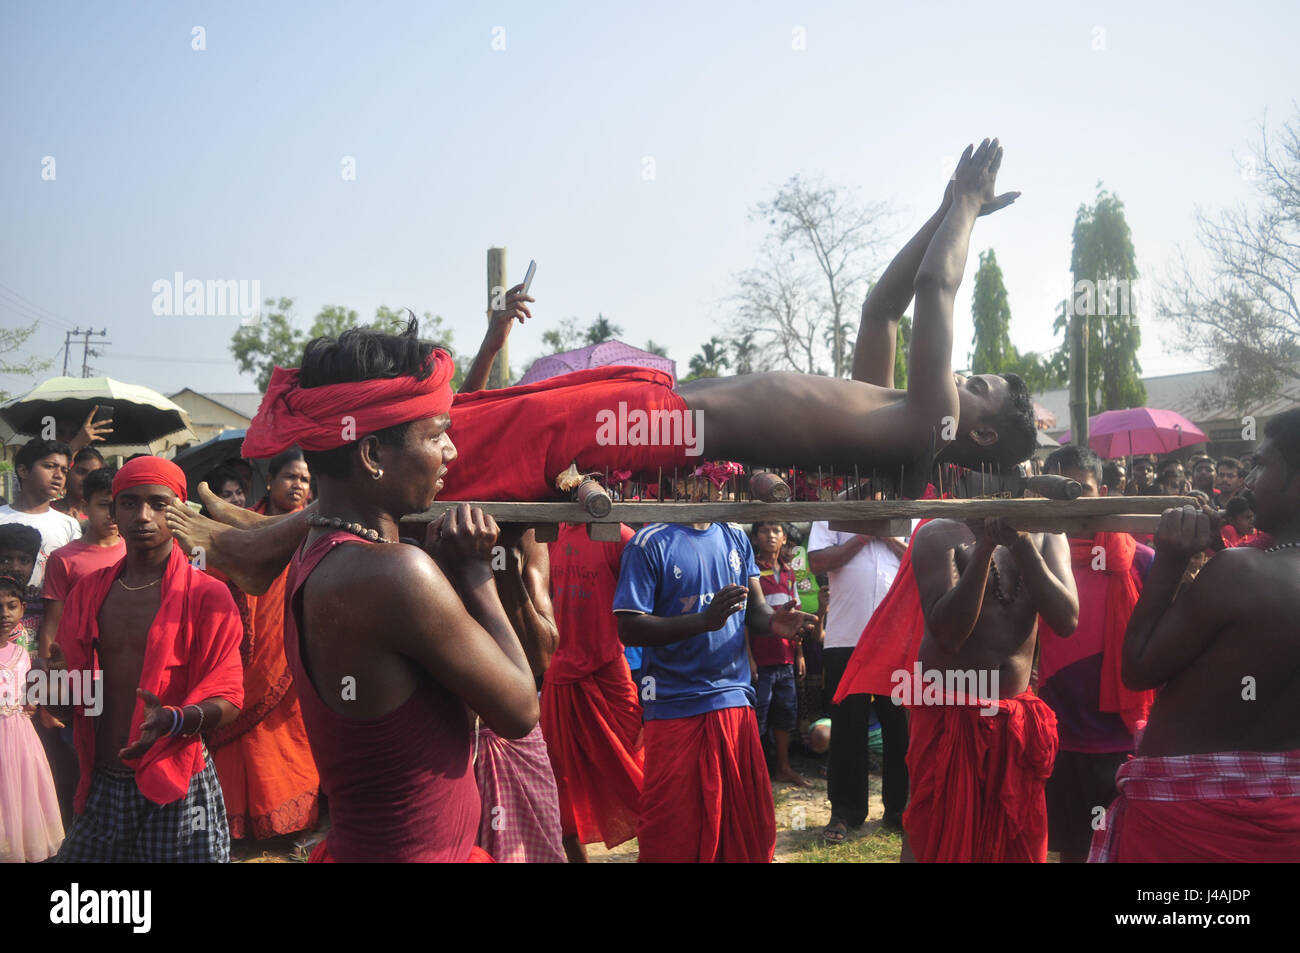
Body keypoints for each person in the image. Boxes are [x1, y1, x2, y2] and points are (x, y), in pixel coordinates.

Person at [245, 141, 1031, 503]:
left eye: (986, 388)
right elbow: (881, 306)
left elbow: (936, 289)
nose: (971, 376)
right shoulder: (890, 406)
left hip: (661, 427)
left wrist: (965, 204)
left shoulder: (927, 426)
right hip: (655, 405)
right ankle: (314, 470)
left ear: (983, 433)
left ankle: (316, 464)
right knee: (495, 418)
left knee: (491, 437)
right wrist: (940, 212)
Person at [198, 319, 539, 862]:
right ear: (372, 456)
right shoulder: (395, 574)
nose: (451, 452)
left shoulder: (319, 551)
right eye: (435, 435)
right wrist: (478, 573)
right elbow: (520, 710)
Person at [1091, 409, 1300, 861]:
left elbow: (1139, 667)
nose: (1247, 481)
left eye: (1263, 466)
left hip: (1184, 825)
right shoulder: (1249, 565)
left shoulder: (1243, 571)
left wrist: (1169, 559)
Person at [52, 456, 245, 862]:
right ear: (112, 511)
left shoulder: (207, 595)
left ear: (180, 510)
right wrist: (52, 688)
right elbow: (75, 702)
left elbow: (229, 698)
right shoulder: (88, 594)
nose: (142, 516)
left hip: (176, 777)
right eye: (128, 503)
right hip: (103, 780)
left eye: (158, 503)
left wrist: (175, 720)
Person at [614, 519, 815, 862]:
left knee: (744, 823)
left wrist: (773, 622)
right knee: (672, 829)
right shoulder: (649, 542)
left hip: (734, 696)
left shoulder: (735, 535)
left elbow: (755, 609)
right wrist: (702, 622)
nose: (718, 481)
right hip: (675, 702)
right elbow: (629, 627)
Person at [901, 512, 1078, 862]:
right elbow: (950, 635)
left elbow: (1066, 619)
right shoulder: (937, 534)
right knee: (936, 833)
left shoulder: (1047, 533)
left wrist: (1022, 543)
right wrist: (984, 548)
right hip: (951, 709)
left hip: (1016, 715)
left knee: (1015, 837)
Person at [1037, 446, 1154, 862]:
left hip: (1118, 738)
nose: (1069, 501)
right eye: (1058, 491)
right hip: (1055, 732)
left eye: (1080, 489)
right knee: (1067, 849)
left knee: (1116, 848)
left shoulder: (1142, 561)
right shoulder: (1032, 558)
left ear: (1102, 491)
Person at [209, 447, 320, 842]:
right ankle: (234, 821)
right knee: (236, 730)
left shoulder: (318, 528)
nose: (298, 485)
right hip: (238, 643)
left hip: (291, 649)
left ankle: (286, 823)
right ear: (269, 481)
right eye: (290, 477)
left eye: (305, 480)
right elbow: (215, 571)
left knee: (284, 732)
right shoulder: (236, 526)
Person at [541, 521, 645, 862]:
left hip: (609, 670)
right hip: (559, 674)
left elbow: (643, 605)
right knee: (560, 783)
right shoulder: (548, 534)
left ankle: (661, 850)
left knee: (636, 770)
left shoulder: (621, 535)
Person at [810, 521, 908, 842]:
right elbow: (817, 562)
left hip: (897, 639)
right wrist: (862, 536)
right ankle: (845, 811)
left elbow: (925, 560)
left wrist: (888, 537)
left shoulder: (909, 508)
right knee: (847, 726)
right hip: (846, 636)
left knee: (901, 727)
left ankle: (900, 808)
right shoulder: (834, 511)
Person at [0, 574, 64, 862]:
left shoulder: (22, 654)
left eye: (11, 606)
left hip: (20, 740)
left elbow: (27, 696)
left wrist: (34, 704)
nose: (4, 614)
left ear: (23, 610)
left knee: (19, 795)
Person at [746, 521, 810, 787]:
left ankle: (783, 768)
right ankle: (757, 773)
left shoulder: (789, 573)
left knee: (785, 713)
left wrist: (799, 654)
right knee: (758, 717)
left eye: (776, 531)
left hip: (785, 656)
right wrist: (748, 657)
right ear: (756, 537)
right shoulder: (750, 571)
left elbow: (795, 619)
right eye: (764, 530)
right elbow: (746, 619)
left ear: (784, 538)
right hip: (761, 659)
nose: (770, 536)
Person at [0, 439, 80, 589]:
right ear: (23, 471)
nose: (59, 475)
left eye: (64, 470)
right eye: (50, 466)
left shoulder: (69, 525)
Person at [52, 447, 105, 521]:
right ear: (67, 472)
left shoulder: (104, 518)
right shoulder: (44, 510)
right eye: (81, 472)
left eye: (93, 474)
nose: (87, 479)